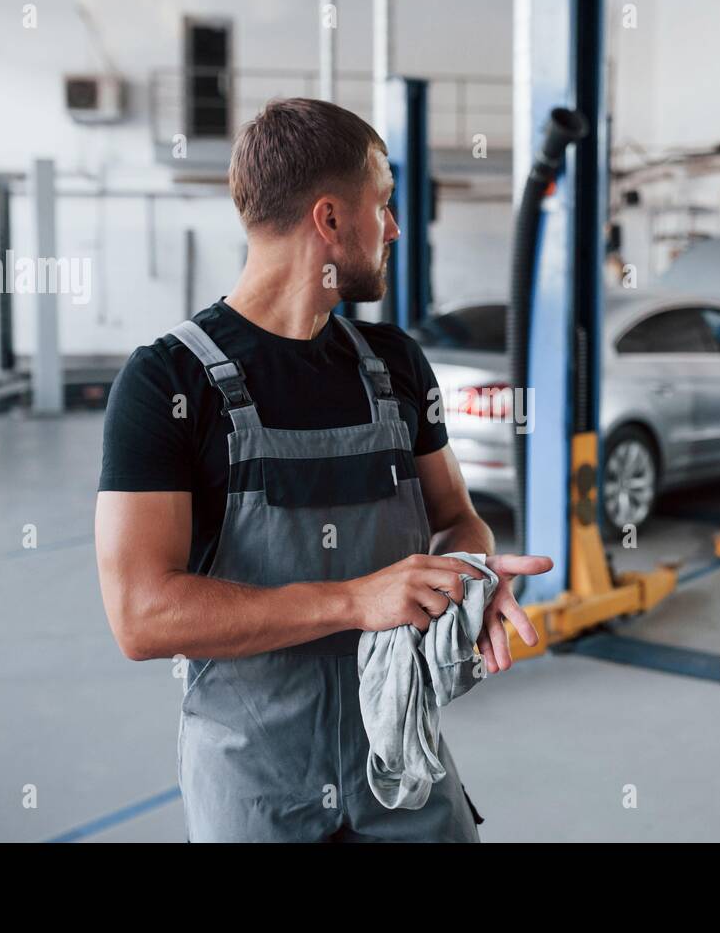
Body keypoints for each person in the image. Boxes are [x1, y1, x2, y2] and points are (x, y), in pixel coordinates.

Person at [94, 97, 553, 842]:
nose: (395, 230)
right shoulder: (168, 382)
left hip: (405, 772)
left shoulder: (395, 363)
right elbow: (142, 616)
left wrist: (473, 576)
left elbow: (456, 517)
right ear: (331, 220)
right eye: (385, 207)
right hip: (259, 793)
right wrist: (354, 600)